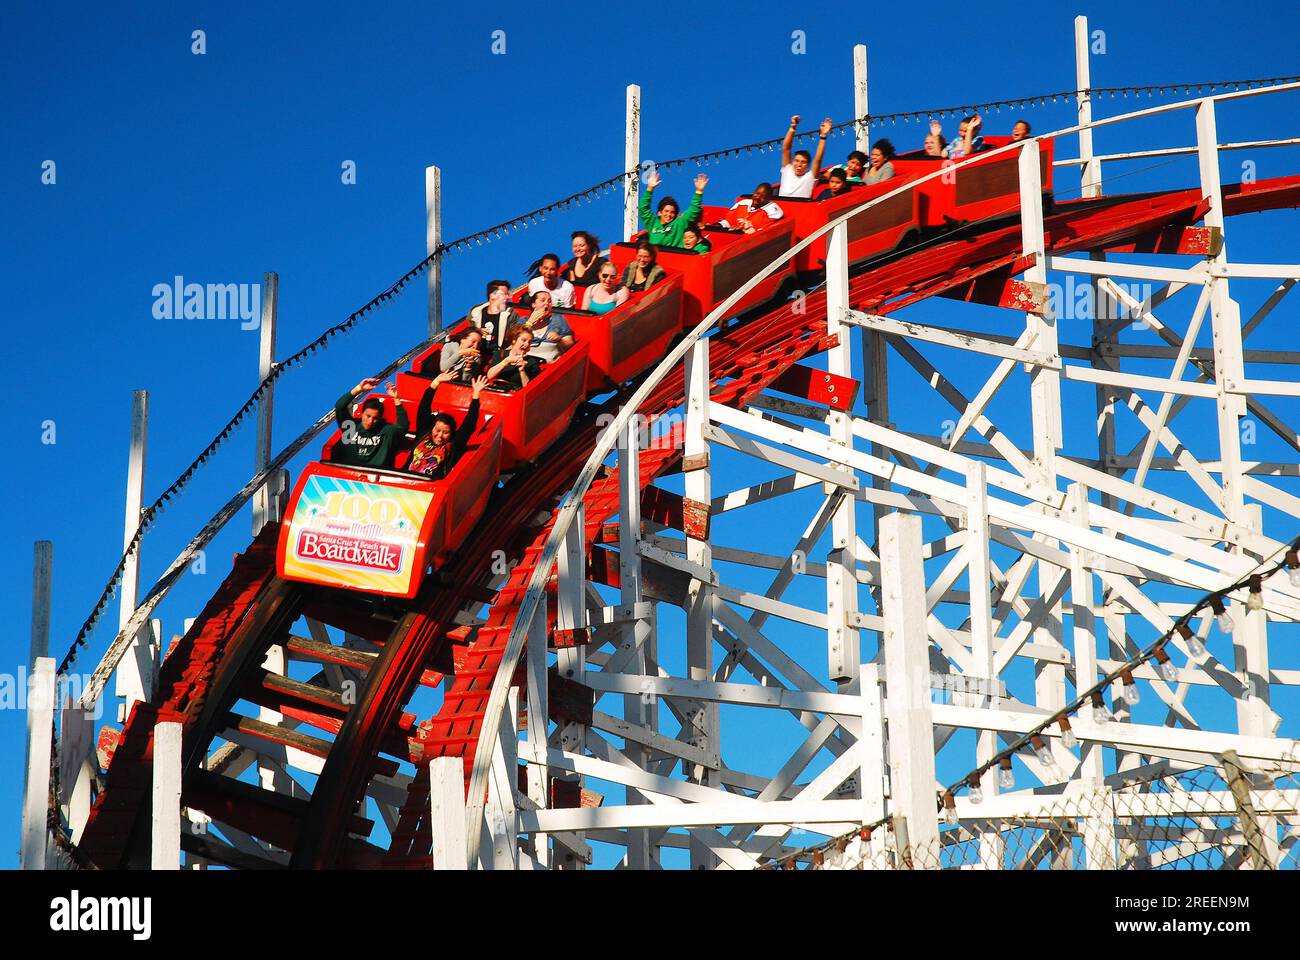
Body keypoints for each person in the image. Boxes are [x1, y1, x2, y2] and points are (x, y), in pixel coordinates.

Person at [406, 374, 489, 480]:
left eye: (445, 433)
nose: (440, 436)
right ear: (432, 429)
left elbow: (470, 423)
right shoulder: (423, 435)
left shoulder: (453, 445)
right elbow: (423, 407)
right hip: (406, 481)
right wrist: (435, 382)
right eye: (438, 430)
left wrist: (476, 394)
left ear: (451, 434)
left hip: (430, 487)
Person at [331, 377, 408, 469]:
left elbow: (402, 426)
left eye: (375, 418)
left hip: (375, 478)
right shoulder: (350, 427)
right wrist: (359, 388)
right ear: (362, 414)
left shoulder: (385, 431)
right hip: (347, 474)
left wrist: (396, 398)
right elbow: (340, 406)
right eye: (368, 416)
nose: (370, 421)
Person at [639, 172, 708, 247]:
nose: (669, 214)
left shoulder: (679, 223)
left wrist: (699, 191)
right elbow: (643, 208)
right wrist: (650, 188)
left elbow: (694, 209)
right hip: (656, 257)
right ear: (659, 213)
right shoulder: (652, 223)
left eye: (672, 212)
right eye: (666, 211)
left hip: (675, 257)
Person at [779, 115, 832, 198]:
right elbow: (786, 148)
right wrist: (792, 128)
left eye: (803, 162)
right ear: (793, 162)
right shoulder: (787, 170)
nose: (799, 164)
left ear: (808, 165)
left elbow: (818, 159)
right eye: (796, 161)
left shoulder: (810, 177)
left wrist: (823, 136)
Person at [468, 279, 520, 352]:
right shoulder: (476, 312)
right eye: (504, 294)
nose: (508, 297)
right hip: (476, 353)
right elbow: (467, 334)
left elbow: (514, 337)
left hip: (499, 355)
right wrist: (478, 331)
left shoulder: (511, 314)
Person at [487, 324, 545, 390]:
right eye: (524, 340)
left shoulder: (531, 362)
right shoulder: (500, 354)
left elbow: (530, 390)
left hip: (516, 393)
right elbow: (490, 376)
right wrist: (506, 361)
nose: (527, 344)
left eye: (529, 342)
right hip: (497, 391)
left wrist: (522, 370)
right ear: (514, 340)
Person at [524, 289, 575, 360]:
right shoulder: (523, 321)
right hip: (527, 362)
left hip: (552, 364)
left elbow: (570, 344)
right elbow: (514, 341)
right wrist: (530, 322)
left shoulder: (558, 319)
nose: (547, 303)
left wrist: (559, 339)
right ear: (533, 304)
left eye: (549, 301)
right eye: (542, 300)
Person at [717, 182, 785, 232]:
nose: (758, 197)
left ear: (768, 199)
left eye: (763, 196)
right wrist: (717, 225)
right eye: (757, 193)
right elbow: (728, 221)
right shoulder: (742, 204)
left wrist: (742, 231)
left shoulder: (772, 211)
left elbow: (763, 232)